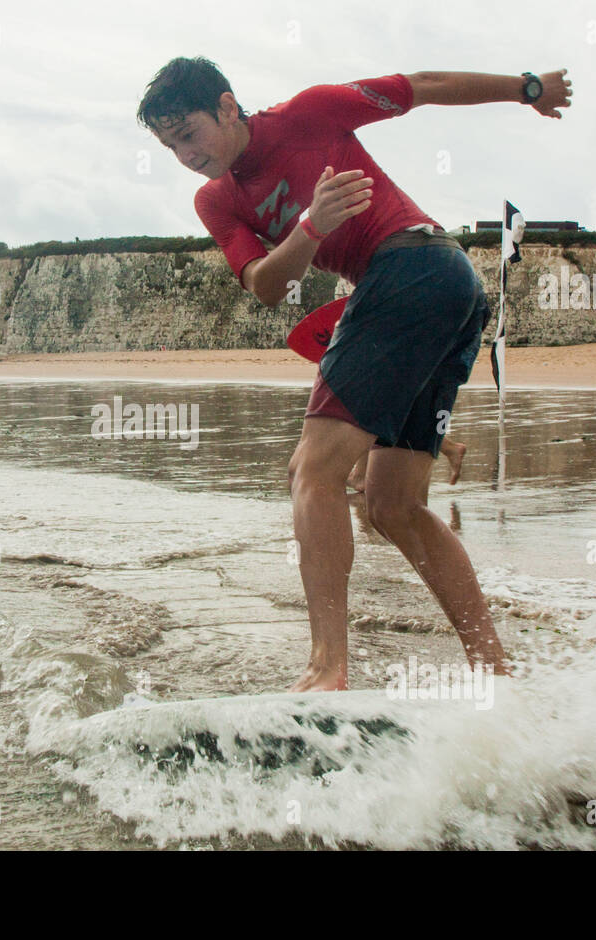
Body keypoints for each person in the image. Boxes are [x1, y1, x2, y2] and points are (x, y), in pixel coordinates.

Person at [138, 58, 571, 690]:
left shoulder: (309, 113)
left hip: (417, 266)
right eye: (170, 145)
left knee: (312, 470)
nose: (185, 154)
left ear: (227, 106)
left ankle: (327, 670)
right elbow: (266, 284)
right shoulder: (217, 200)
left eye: (190, 134)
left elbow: (422, 88)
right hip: (440, 290)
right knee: (392, 505)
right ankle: (495, 672)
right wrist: (311, 228)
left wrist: (525, 89)